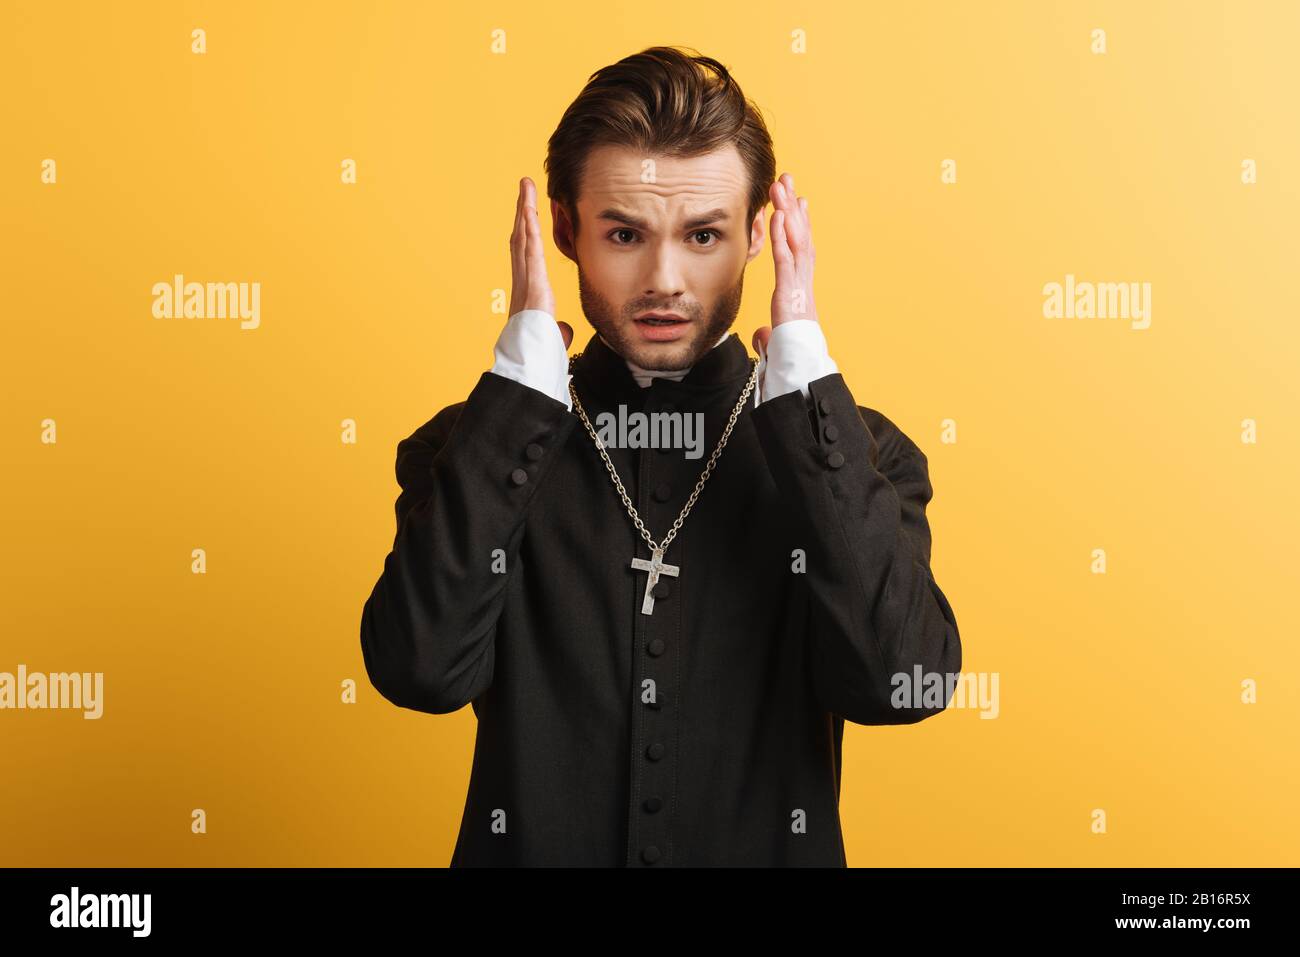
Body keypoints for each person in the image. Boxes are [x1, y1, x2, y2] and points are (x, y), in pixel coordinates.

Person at [359, 45, 961, 867]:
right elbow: (420, 672)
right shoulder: (467, 448)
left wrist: (804, 371)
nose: (664, 279)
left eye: (704, 234)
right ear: (566, 231)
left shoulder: (863, 454)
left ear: (759, 234)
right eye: (624, 234)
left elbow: (902, 684)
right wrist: (524, 377)